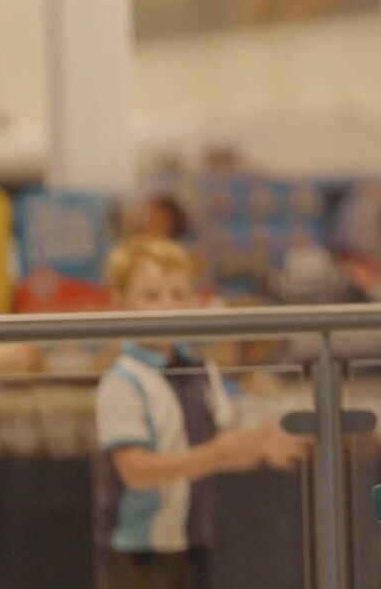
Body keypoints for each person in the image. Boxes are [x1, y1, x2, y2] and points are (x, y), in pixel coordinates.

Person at [95, 238, 306, 589]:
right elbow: (135, 470)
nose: (167, 306)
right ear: (120, 302)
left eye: (178, 295)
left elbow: (227, 444)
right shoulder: (124, 380)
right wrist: (220, 453)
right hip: (138, 551)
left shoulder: (200, 370)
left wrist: (259, 446)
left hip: (195, 540)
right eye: (151, 296)